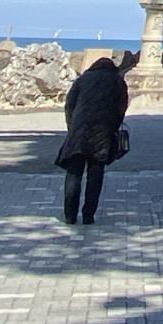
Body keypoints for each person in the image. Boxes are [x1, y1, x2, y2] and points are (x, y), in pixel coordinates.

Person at [56, 56, 128, 224]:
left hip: (78, 132)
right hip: (102, 133)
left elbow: (69, 104)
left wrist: (72, 126)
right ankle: (88, 215)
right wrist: (113, 128)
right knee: (95, 175)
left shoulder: (83, 79)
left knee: (74, 173)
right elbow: (121, 109)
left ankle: (69, 215)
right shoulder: (117, 82)